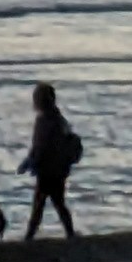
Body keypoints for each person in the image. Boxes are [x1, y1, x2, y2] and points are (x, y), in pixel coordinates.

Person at [17, 82, 86, 238]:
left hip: (47, 171)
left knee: (40, 205)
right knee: (58, 203)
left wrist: (30, 162)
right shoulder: (60, 120)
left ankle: (30, 236)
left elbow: (39, 146)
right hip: (59, 170)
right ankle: (69, 233)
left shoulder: (44, 121)